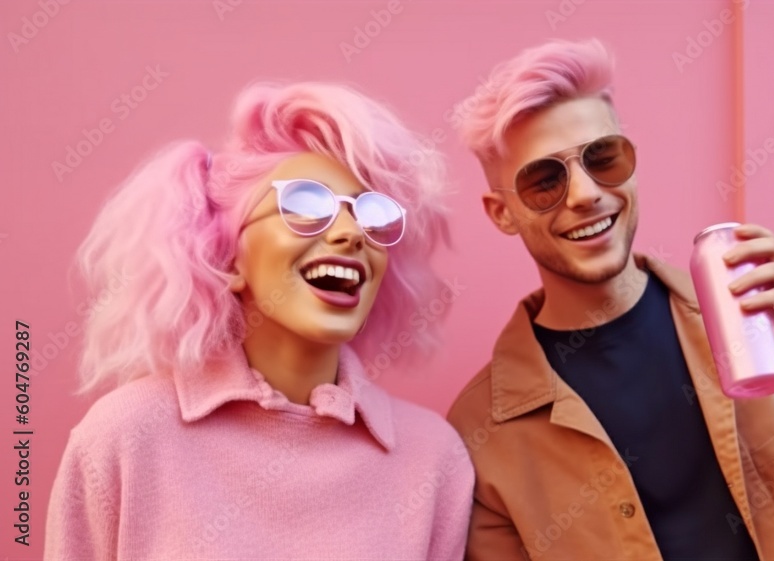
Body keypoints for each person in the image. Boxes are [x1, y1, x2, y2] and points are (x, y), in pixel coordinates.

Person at [446, 39, 774, 560]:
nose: (584, 194)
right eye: (543, 181)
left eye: (603, 157)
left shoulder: (750, 321)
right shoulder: (480, 433)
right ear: (501, 213)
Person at [45, 81, 473, 560]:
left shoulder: (432, 457)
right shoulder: (125, 437)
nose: (352, 234)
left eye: (371, 215)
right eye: (307, 205)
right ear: (227, 257)